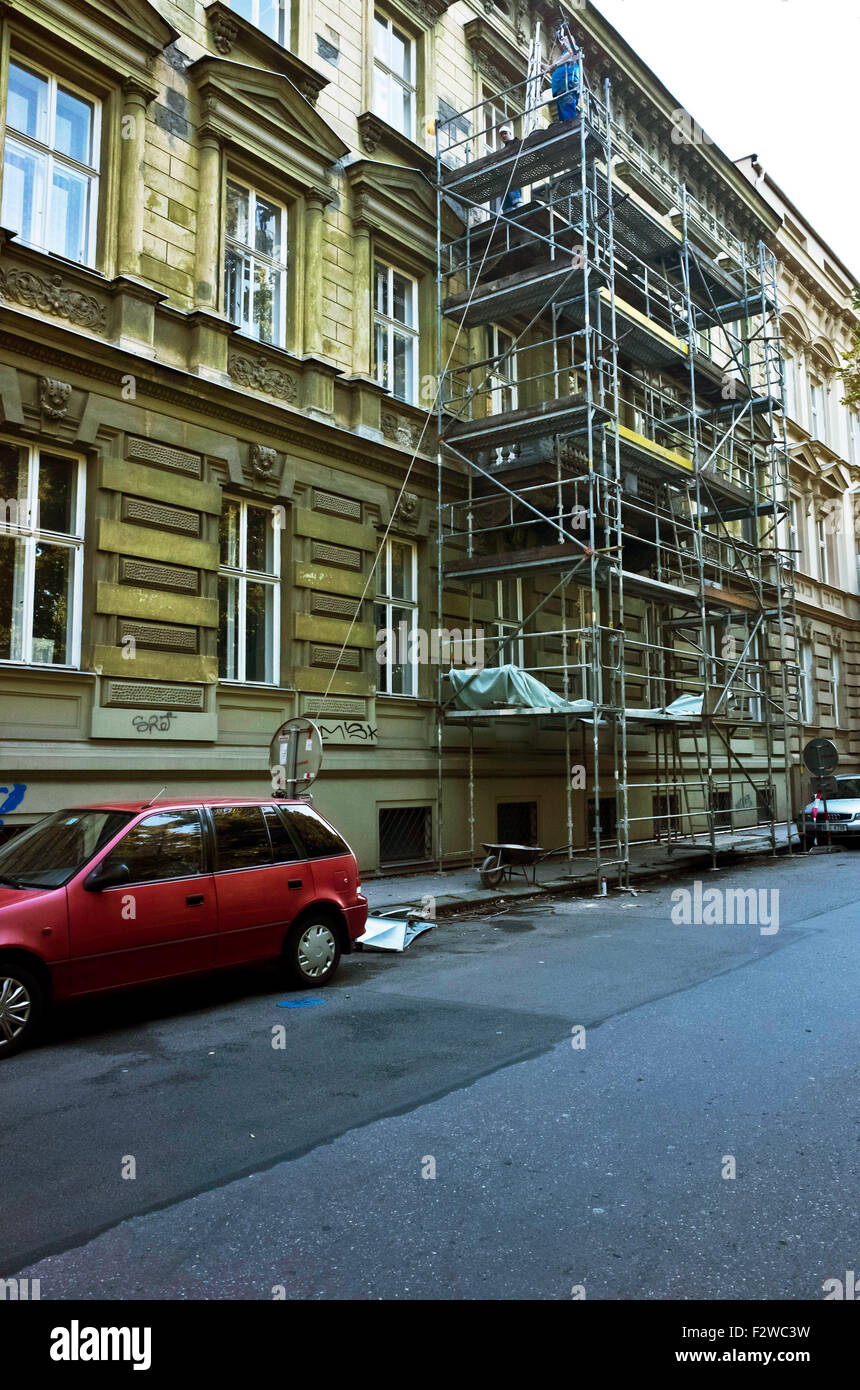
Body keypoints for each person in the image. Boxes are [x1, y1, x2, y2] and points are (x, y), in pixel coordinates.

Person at [549, 32, 581, 122]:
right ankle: (565, 125)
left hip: (567, 85)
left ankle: (570, 126)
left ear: (571, 41)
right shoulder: (563, 55)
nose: (563, 41)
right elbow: (550, 68)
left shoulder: (574, 49)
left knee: (568, 110)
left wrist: (555, 64)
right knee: (562, 112)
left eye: (565, 39)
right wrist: (540, 65)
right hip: (560, 88)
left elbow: (571, 55)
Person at [498, 123, 522, 214]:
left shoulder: (515, 142)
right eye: (501, 134)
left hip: (513, 169)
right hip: (506, 171)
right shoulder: (505, 148)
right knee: (504, 187)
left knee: (511, 181)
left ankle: (517, 201)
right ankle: (507, 208)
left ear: (510, 133)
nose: (503, 136)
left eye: (505, 133)